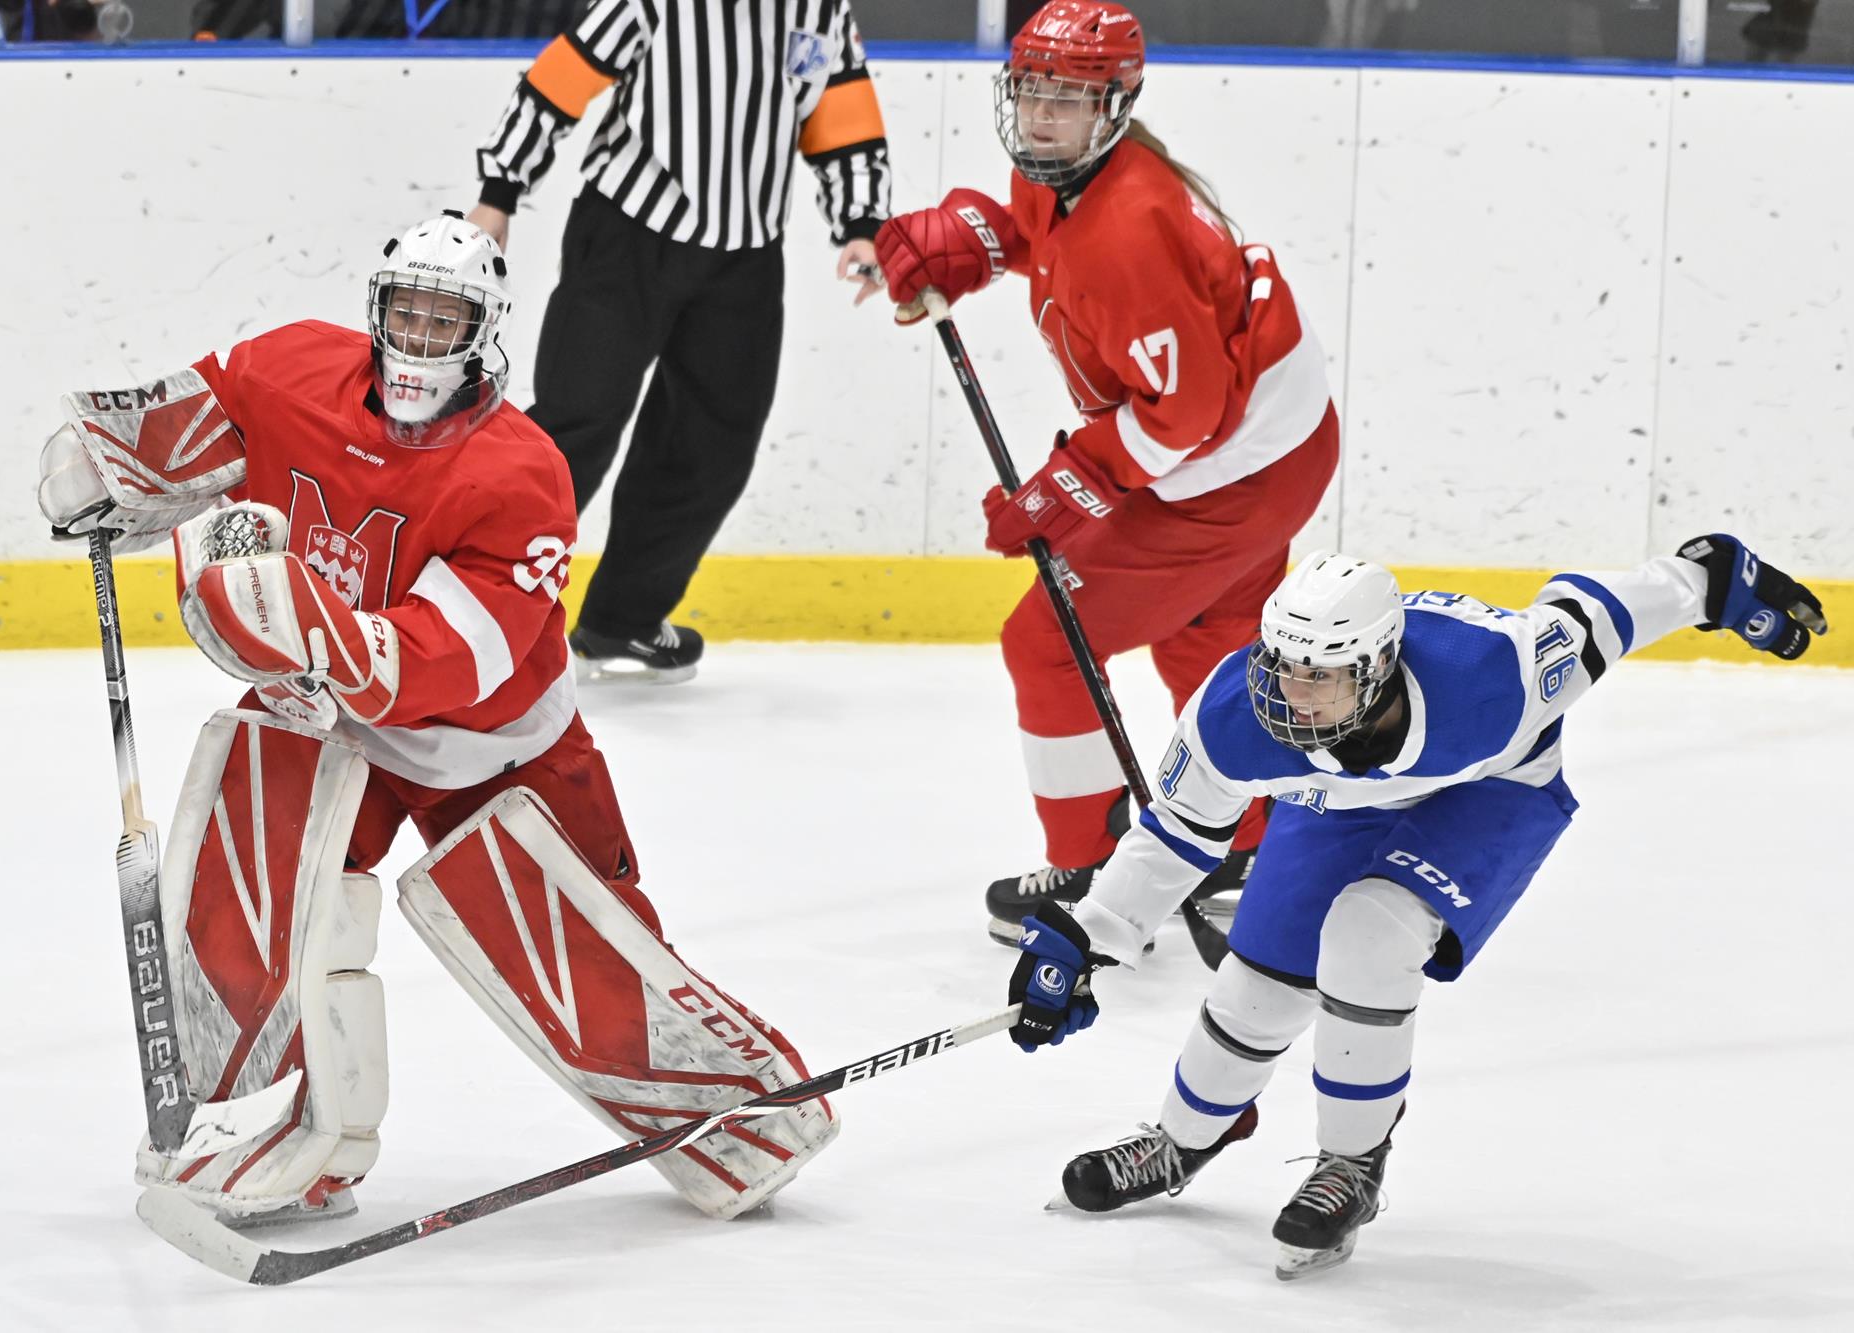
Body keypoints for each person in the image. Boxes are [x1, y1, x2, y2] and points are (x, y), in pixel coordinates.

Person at [35, 212, 836, 1226]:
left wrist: (304, 629)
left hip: (491, 746)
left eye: (442, 317)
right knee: (242, 892)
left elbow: (452, 661)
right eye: (404, 313)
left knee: (588, 952)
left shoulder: (522, 472)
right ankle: (281, 1127)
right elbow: (194, 422)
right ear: (376, 311)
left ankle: (737, 1119)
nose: (418, 335)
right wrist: (107, 464)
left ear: (482, 328)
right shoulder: (288, 370)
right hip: (318, 710)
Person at [1002, 539, 1828, 1279]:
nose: (1290, 691)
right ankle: (1182, 1139)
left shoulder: (1493, 674)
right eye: (1282, 662)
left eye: (1319, 674)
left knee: (1369, 930)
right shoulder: (1235, 713)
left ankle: (1351, 1165)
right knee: (1259, 986)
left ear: (1379, 666)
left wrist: (1717, 577)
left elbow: (1601, 610)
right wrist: (1083, 941)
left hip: (1491, 791)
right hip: (1340, 801)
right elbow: (1176, 835)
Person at [871, 0, 1338, 942]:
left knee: (1047, 637)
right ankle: (1252, 842)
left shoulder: (1133, 228)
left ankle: (1086, 864)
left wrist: (1065, 490)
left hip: (1232, 470)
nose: (1042, 116)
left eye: (1069, 97)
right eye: (1032, 90)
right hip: (1278, 444)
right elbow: (1032, 226)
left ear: (1117, 103)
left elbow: (1187, 413)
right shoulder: (1074, 172)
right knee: (1205, 640)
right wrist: (972, 243)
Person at [466, 0, 893, 682]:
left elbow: (842, 113)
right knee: (576, 424)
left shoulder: (820, 9)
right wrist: (499, 189)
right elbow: (560, 81)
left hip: (745, 256)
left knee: (710, 447)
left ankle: (621, 619)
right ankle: (476, 608)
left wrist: (861, 222)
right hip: (626, 232)